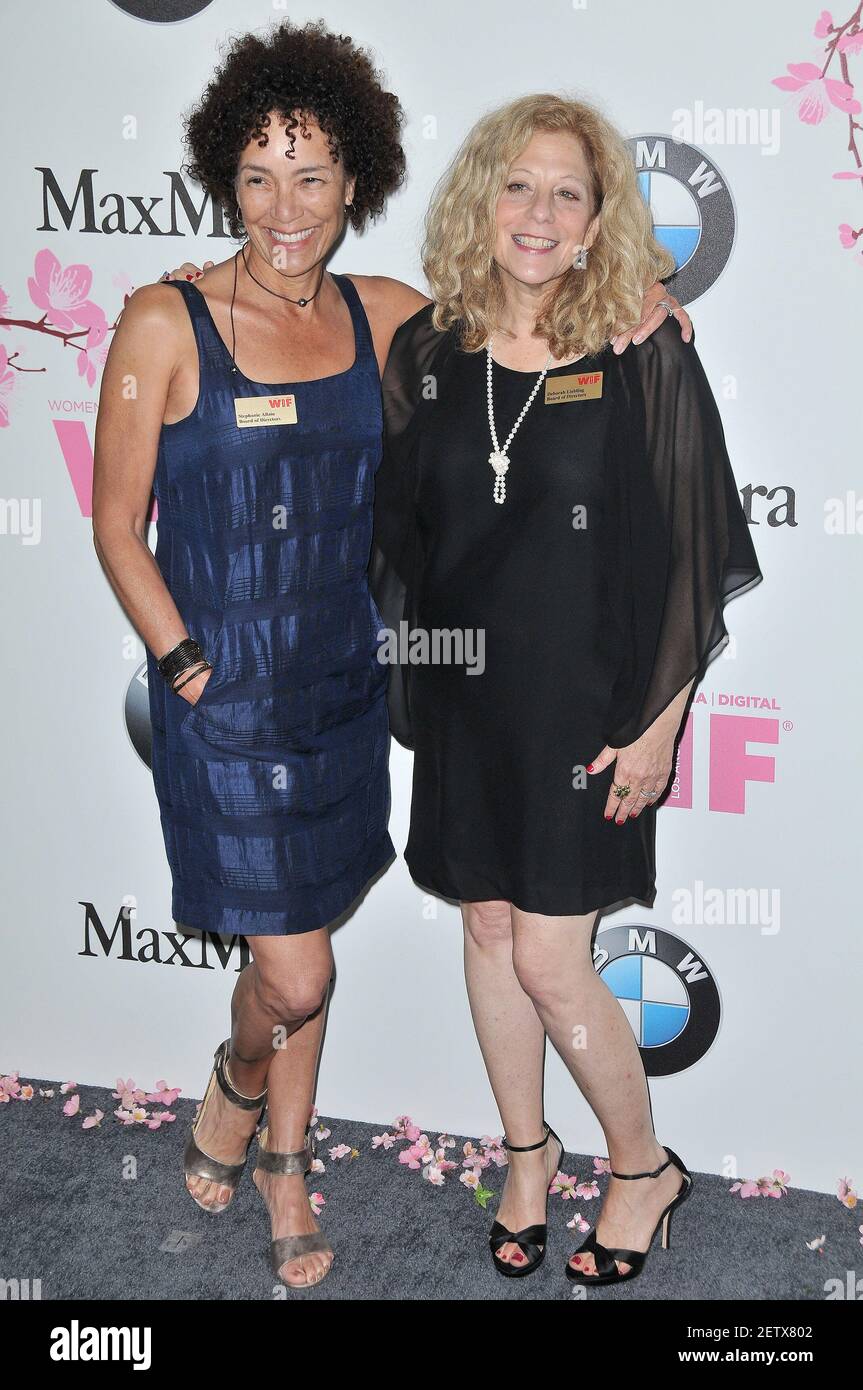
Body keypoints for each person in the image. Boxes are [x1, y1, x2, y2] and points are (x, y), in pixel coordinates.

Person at [112, 22, 689, 1291]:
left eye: (312, 175)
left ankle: (312, 1159)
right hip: (287, 700)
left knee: (407, 948)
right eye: (259, 174)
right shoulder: (239, 325)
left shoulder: (406, 323)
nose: (284, 204)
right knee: (349, 958)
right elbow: (119, 521)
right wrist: (187, 664)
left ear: (354, 182)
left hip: (391, 696)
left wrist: (648, 302)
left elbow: (668, 526)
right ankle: (287, 1104)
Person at [371, 93, 763, 1284]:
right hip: (465, 701)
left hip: (584, 709)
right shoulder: (426, 348)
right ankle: (528, 1154)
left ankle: (642, 1168)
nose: (536, 213)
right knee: (486, 927)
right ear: (477, 199)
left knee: (550, 955)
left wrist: (657, 722)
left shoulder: (639, 351)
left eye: (566, 193)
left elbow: (698, 549)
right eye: (516, 185)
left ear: (597, 222)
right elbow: (404, 538)